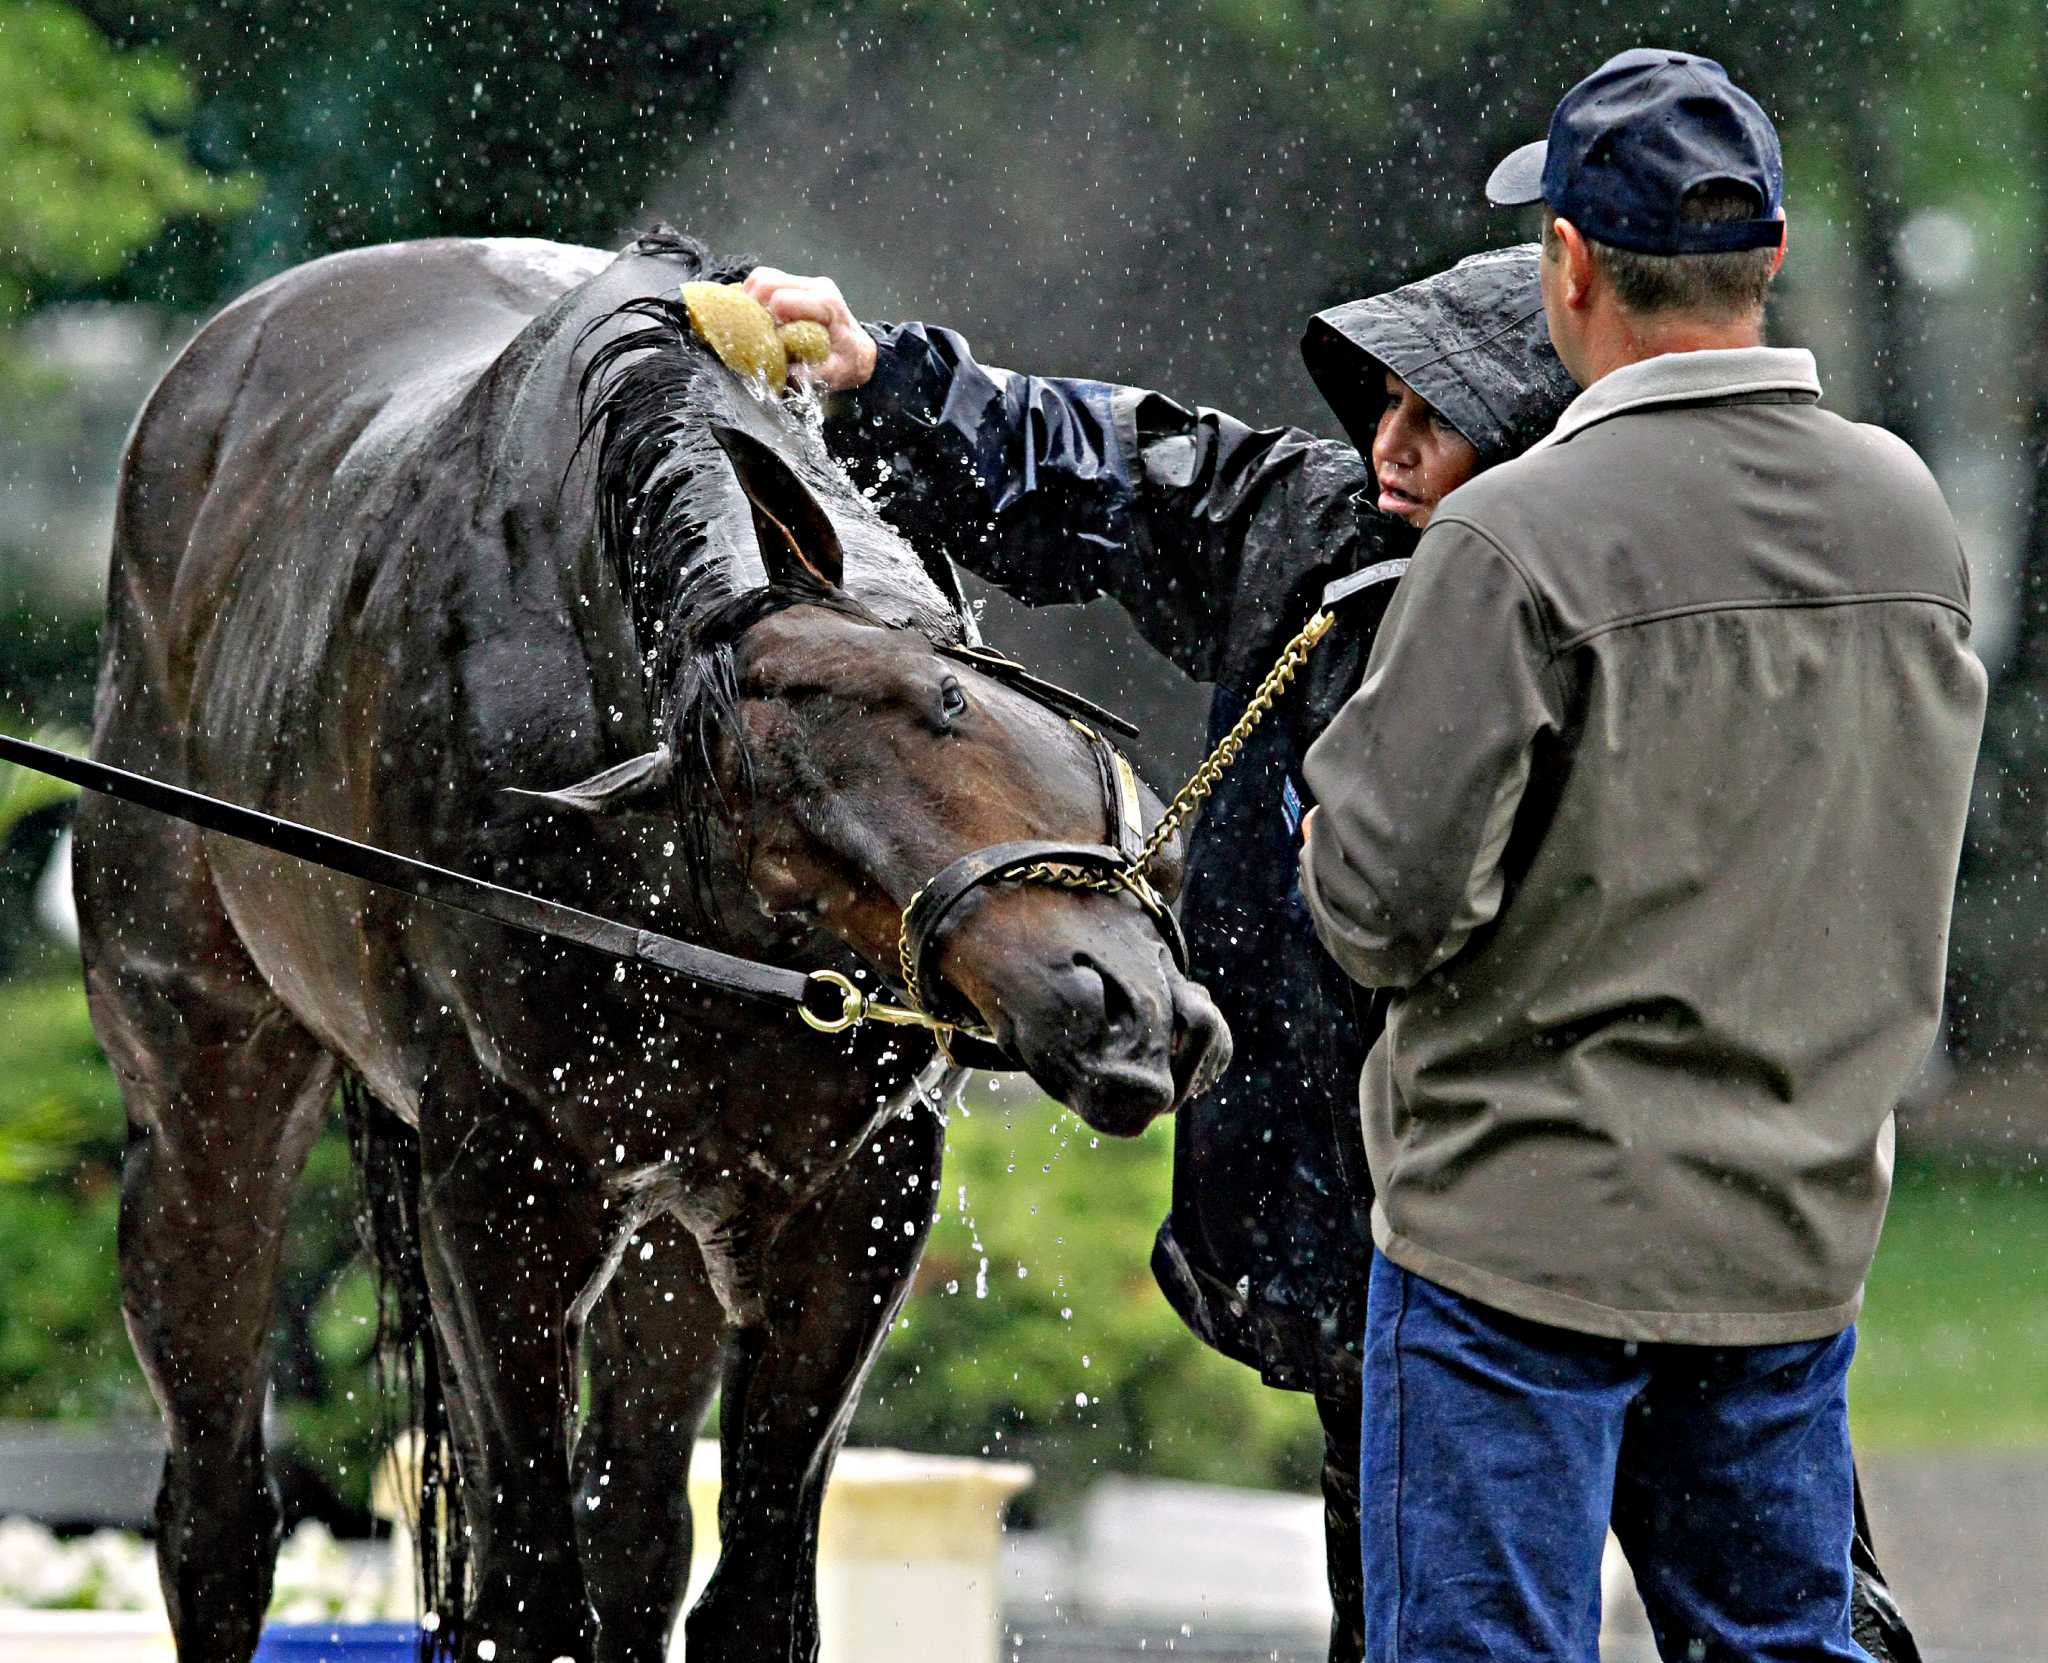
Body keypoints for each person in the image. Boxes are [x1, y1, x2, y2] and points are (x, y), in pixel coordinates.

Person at [746, 245, 1575, 1660]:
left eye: (1436, 413)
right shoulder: (1322, 533)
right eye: (1381, 401)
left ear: (1543, 440)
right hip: (1390, 1255)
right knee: (1409, 1623)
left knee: (1757, 1602)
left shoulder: (1633, 597)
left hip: (1599, 1227)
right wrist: (883, 380)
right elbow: (1109, 470)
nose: (1391, 442)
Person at [1296, 47, 1985, 1662]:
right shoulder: (1906, 512)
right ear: (1773, 260)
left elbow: (1384, 909)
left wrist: (1333, 834)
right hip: (1789, 1240)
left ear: (1569, 268)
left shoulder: (1515, 532)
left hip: (1515, 1253)